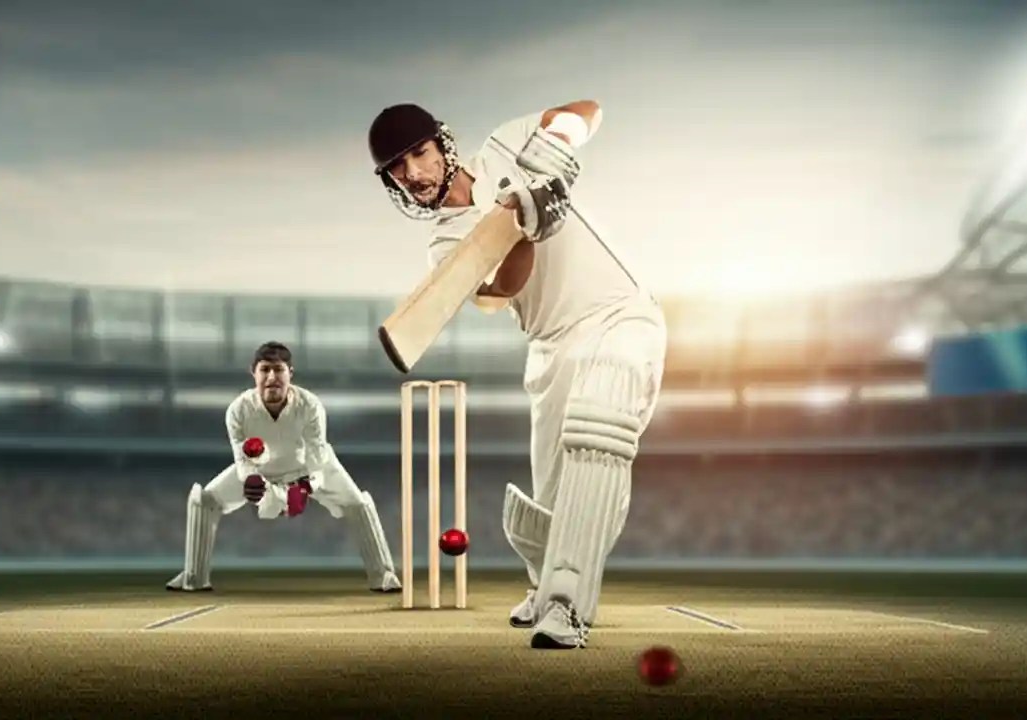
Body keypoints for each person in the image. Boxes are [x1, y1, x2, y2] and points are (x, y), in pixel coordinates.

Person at [367, 101, 666, 648]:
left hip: (620, 313)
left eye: (419, 154)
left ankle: (566, 605)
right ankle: (545, 581)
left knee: (599, 427)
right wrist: (528, 223)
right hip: (552, 348)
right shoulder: (444, 247)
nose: (412, 173)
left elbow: (588, 109)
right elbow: (502, 288)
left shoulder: (509, 143)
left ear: (443, 145)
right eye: (396, 168)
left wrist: (559, 144)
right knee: (555, 496)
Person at [166, 341, 402, 594]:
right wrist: (252, 482)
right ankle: (193, 577)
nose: (271, 377)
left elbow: (317, 457)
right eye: (265, 369)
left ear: (290, 372)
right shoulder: (238, 410)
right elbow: (242, 458)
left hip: (307, 467)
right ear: (253, 373)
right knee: (204, 501)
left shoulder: (310, 405)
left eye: (278, 370)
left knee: (357, 503)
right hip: (262, 470)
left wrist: (306, 487)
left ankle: (384, 575)